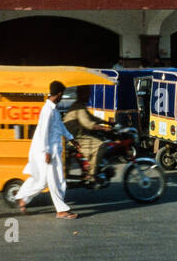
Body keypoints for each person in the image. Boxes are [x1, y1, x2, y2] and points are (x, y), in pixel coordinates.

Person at [15, 80, 77, 218]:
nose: (62, 97)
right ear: (59, 94)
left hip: (50, 150)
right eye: (62, 95)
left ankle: (23, 198)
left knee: (41, 180)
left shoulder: (53, 109)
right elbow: (43, 132)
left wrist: (71, 138)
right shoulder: (47, 110)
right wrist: (47, 152)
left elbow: (59, 126)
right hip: (48, 151)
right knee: (57, 179)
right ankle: (61, 210)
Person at [63, 86, 109, 177]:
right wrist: (104, 128)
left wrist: (106, 122)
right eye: (87, 94)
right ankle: (92, 174)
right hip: (76, 137)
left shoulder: (80, 105)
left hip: (77, 135)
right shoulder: (78, 107)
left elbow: (92, 118)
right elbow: (88, 123)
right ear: (80, 94)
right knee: (100, 145)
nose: (89, 96)